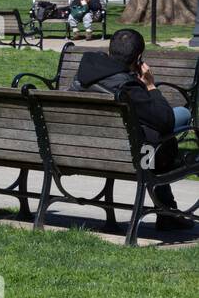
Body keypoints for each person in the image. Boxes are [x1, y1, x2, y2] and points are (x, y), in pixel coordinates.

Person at [71, 29, 192, 230]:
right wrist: (151, 86)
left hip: (86, 149)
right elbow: (164, 120)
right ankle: (167, 212)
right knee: (180, 117)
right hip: (131, 155)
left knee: (156, 137)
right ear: (138, 58)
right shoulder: (126, 86)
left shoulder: (83, 74)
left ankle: (168, 212)